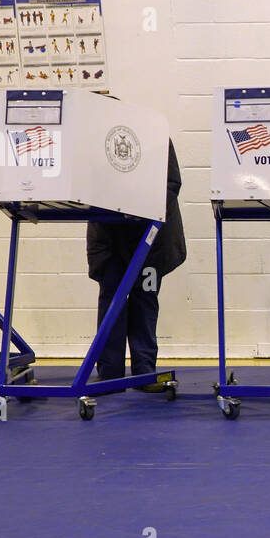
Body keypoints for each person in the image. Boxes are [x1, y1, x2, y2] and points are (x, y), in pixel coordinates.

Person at [86, 139, 186, 389]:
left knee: (145, 299)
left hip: (151, 235)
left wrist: (137, 208)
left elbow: (171, 184)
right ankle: (110, 373)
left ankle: (144, 370)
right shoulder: (90, 140)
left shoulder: (155, 136)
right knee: (111, 300)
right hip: (108, 234)